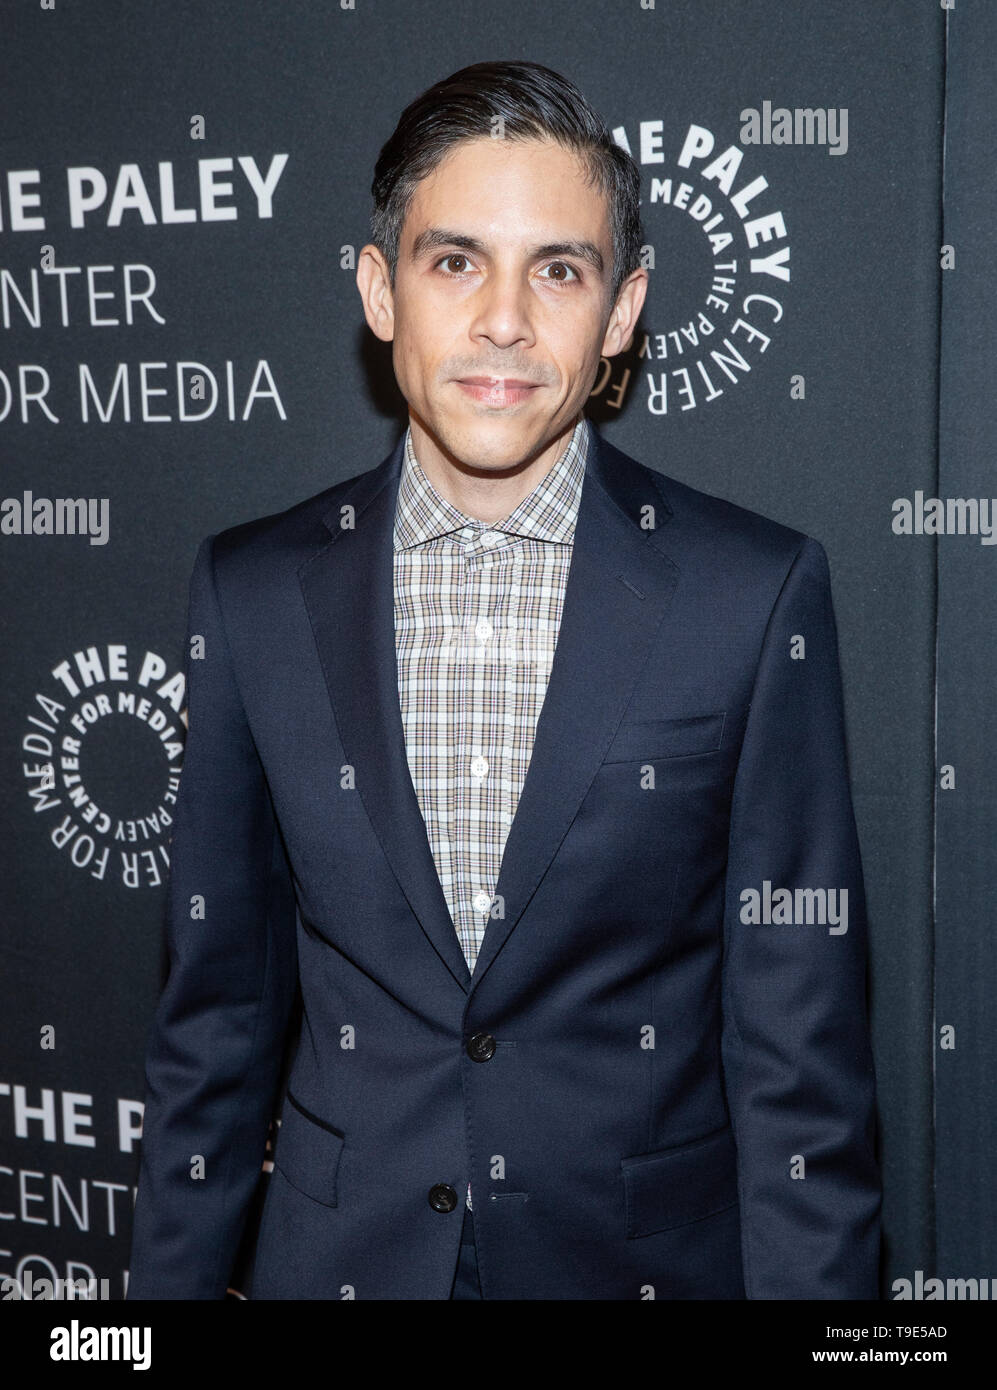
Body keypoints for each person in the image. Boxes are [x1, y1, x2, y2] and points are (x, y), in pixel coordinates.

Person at [127, 59, 881, 1300]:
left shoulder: (753, 594)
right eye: (454, 260)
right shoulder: (252, 593)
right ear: (380, 290)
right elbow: (213, 1029)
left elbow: (801, 1063)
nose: (504, 322)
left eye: (560, 270)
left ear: (624, 309)